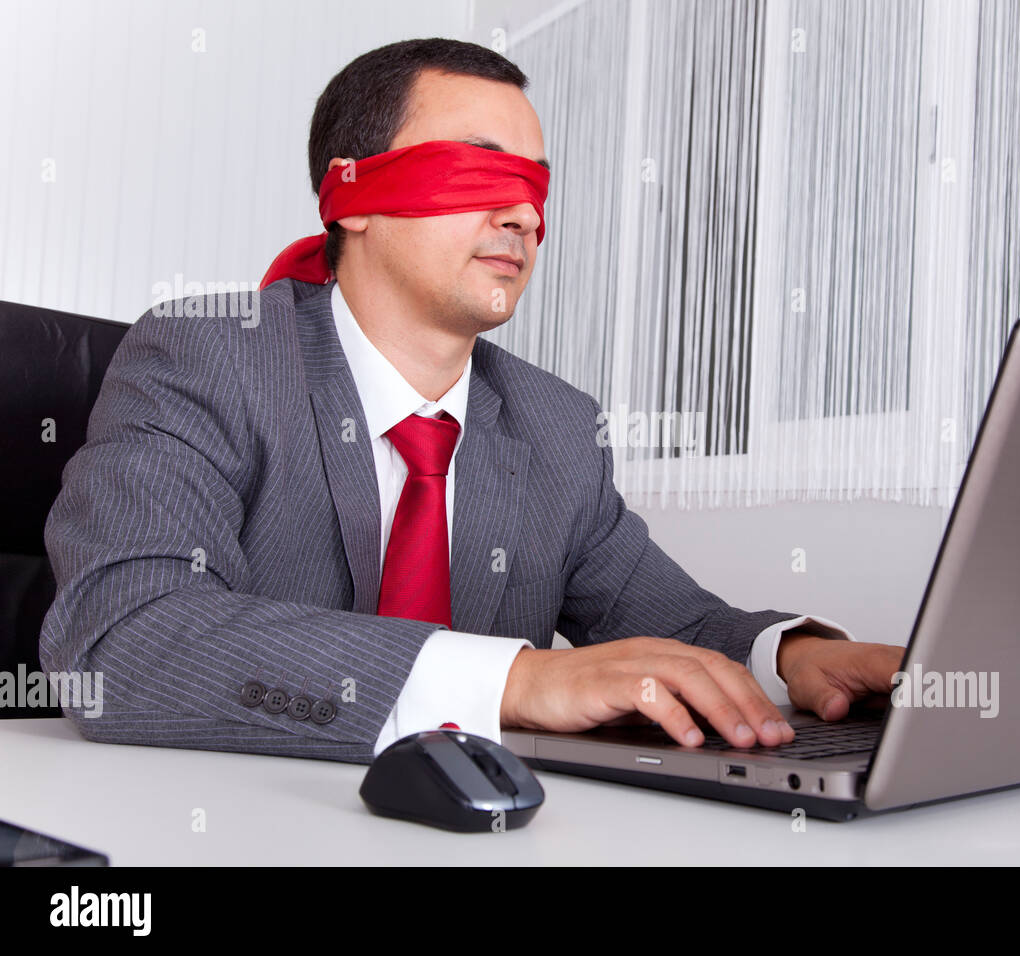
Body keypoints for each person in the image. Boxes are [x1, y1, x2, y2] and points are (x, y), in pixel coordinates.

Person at [40, 37, 903, 764]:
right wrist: (516, 681)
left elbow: (674, 622)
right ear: (354, 197)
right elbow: (121, 640)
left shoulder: (557, 425)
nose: (523, 215)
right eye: (475, 171)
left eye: (536, 184)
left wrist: (797, 654)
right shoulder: (206, 355)